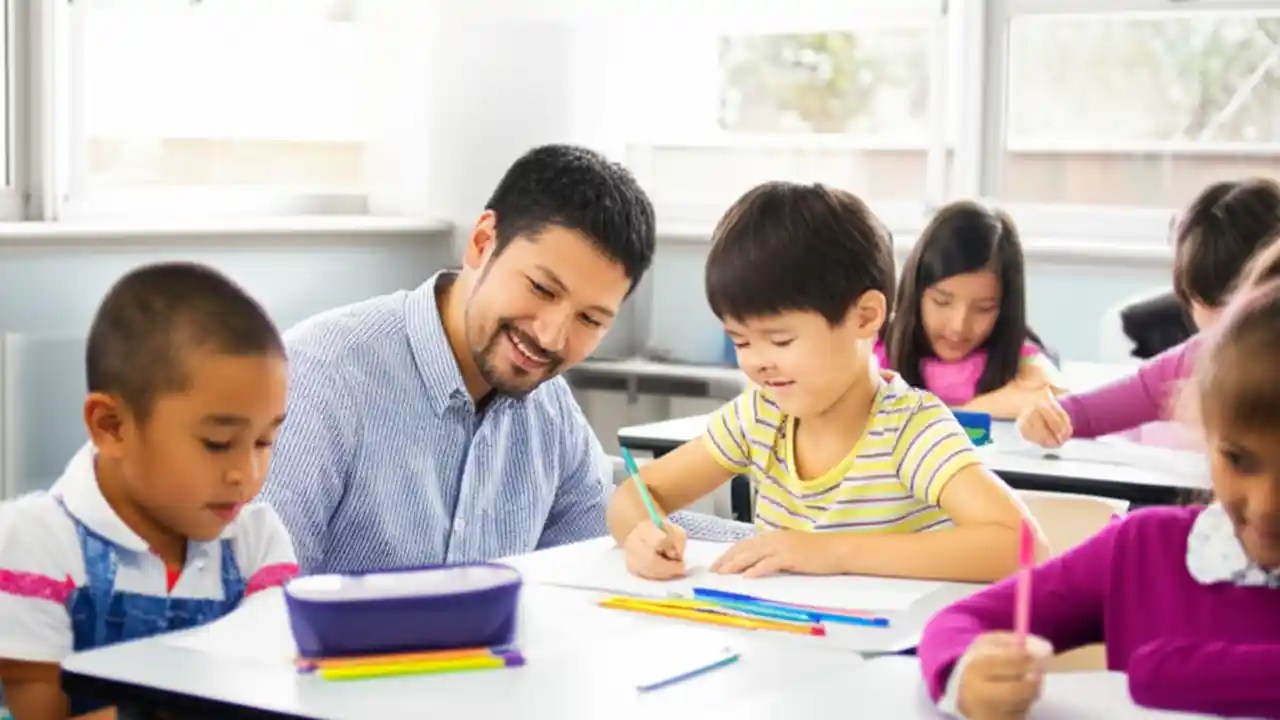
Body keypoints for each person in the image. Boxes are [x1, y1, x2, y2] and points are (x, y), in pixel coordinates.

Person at [261, 144, 748, 575]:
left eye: (591, 319)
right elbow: (253, 596)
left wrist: (803, 548)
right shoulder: (322, 375)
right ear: (481, 242)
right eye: (540, 288)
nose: (551, 335)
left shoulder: (548, 410)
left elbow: (614, 529)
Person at [606, 182, 1045, 584]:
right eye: (740, 340)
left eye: (780, 339)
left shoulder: (908, 429)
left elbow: (1024, 547)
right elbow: (634, 496)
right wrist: (642, 534)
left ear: (865, 316)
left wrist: (832, 551)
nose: (757, 363)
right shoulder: (761, 416)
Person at [919, 275, 1280, 719]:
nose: (1267, 505)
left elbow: (1157, 673)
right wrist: (966, 674)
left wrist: (1162, 671)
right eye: (1239, 460)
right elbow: (957, 622)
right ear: (1208, 436)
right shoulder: (1146, 550)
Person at [0, 263, 298, 720]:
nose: (247, 473)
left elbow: (277, 685)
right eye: (217, 443)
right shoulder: (39, 543)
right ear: (111, 426)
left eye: (264, 442)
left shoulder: (256, 541)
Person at [1018, 178, 1280, 448]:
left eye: (1245, 310)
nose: (1230, 328)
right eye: (1215, 307)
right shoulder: (1189, 363)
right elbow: (1083, 413)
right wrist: (1044, 418)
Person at [879, 201, 1061, 420]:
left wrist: (957, 416)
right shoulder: (878, 350)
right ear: (916, 292)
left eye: (984, 309)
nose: (959, 326)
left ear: (1004, 308)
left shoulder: (1020, 358)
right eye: (942, 302)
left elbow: (1052, 396)